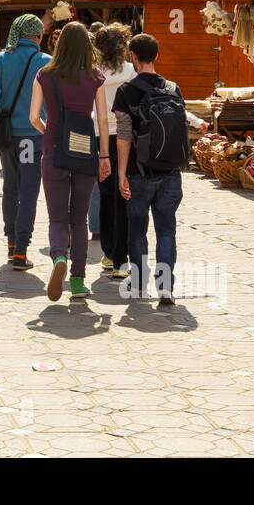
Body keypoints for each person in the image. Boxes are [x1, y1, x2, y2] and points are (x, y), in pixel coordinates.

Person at [31, 22, 111, 301]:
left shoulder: (44, 74)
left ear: (59, 45)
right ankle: (77, 281)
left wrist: (51, 133)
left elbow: (33, 117)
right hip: (86, 152)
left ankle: (57, 259)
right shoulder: (96, 76)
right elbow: (102, 119)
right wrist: (105, 155)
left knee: (57, 217)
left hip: (54, 151)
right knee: (79, 219)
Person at [113, 33, 193, 308]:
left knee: (137, 229)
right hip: (171, 171)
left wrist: (121, 172)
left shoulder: (126, 91)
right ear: (156, 56)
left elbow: (123, 136)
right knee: (167, 228)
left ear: (132, 57)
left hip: (139, 171)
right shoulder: (173, 89)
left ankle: (137, 282)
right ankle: (166, 287)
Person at [0, 14, 50, 269]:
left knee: (10, 188)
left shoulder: (0, 60)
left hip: (7, 137)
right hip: (34, 135)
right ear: (38, 36)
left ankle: (11, 243)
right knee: (29, 192)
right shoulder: (46, 62)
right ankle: (21, 249)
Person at [92, 24, 135, 278]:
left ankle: (108, 253)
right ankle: (121, 256)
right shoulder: (130, 72)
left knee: (106, 195)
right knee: (124, 194)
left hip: (98, 135)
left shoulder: (93, 72)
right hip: (124, 136)